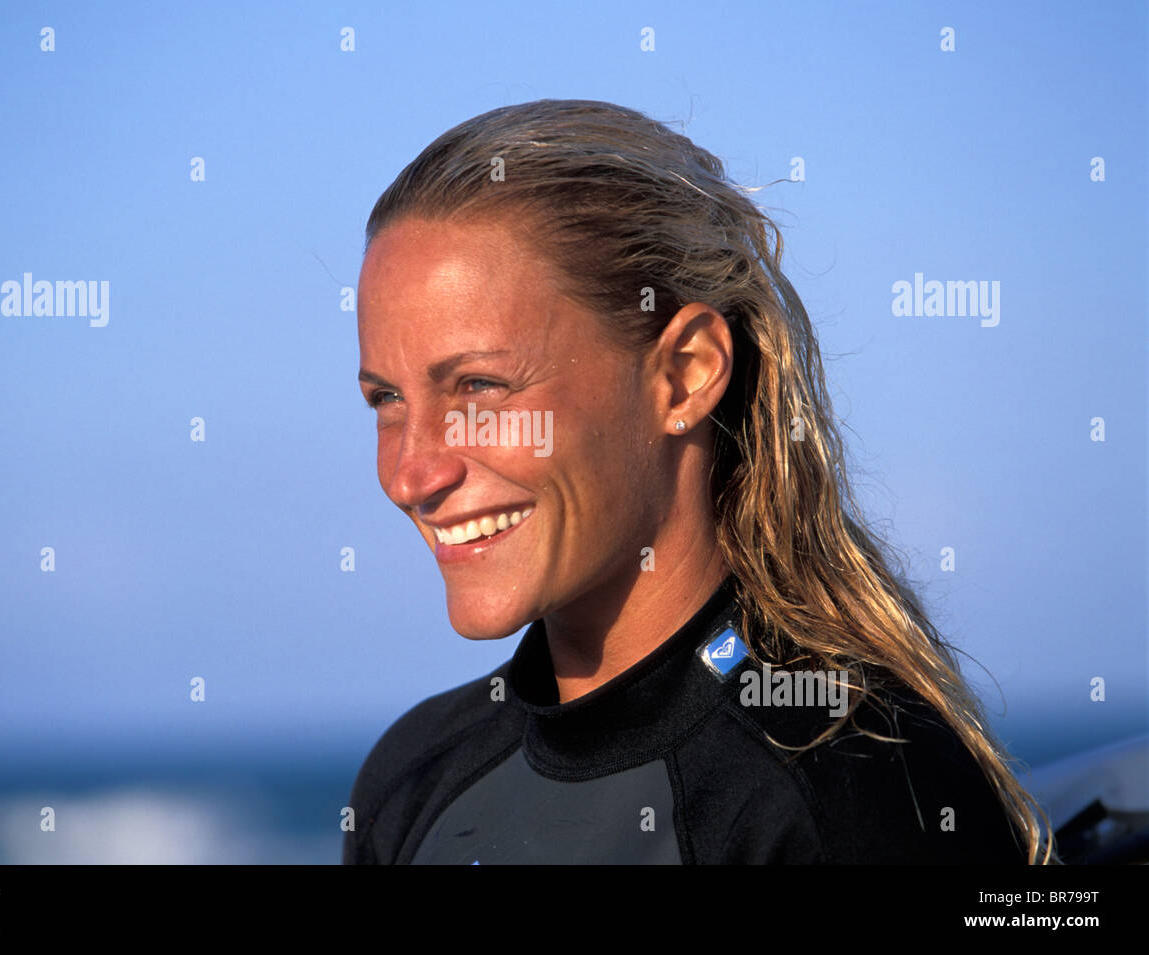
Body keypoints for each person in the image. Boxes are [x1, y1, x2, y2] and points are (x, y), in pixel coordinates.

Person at [343, 98, 1052, 864]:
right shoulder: (412, 782)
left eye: (479, 386)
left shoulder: (850, 790)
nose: (413, 471)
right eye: (387, 399)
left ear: (685, 375)